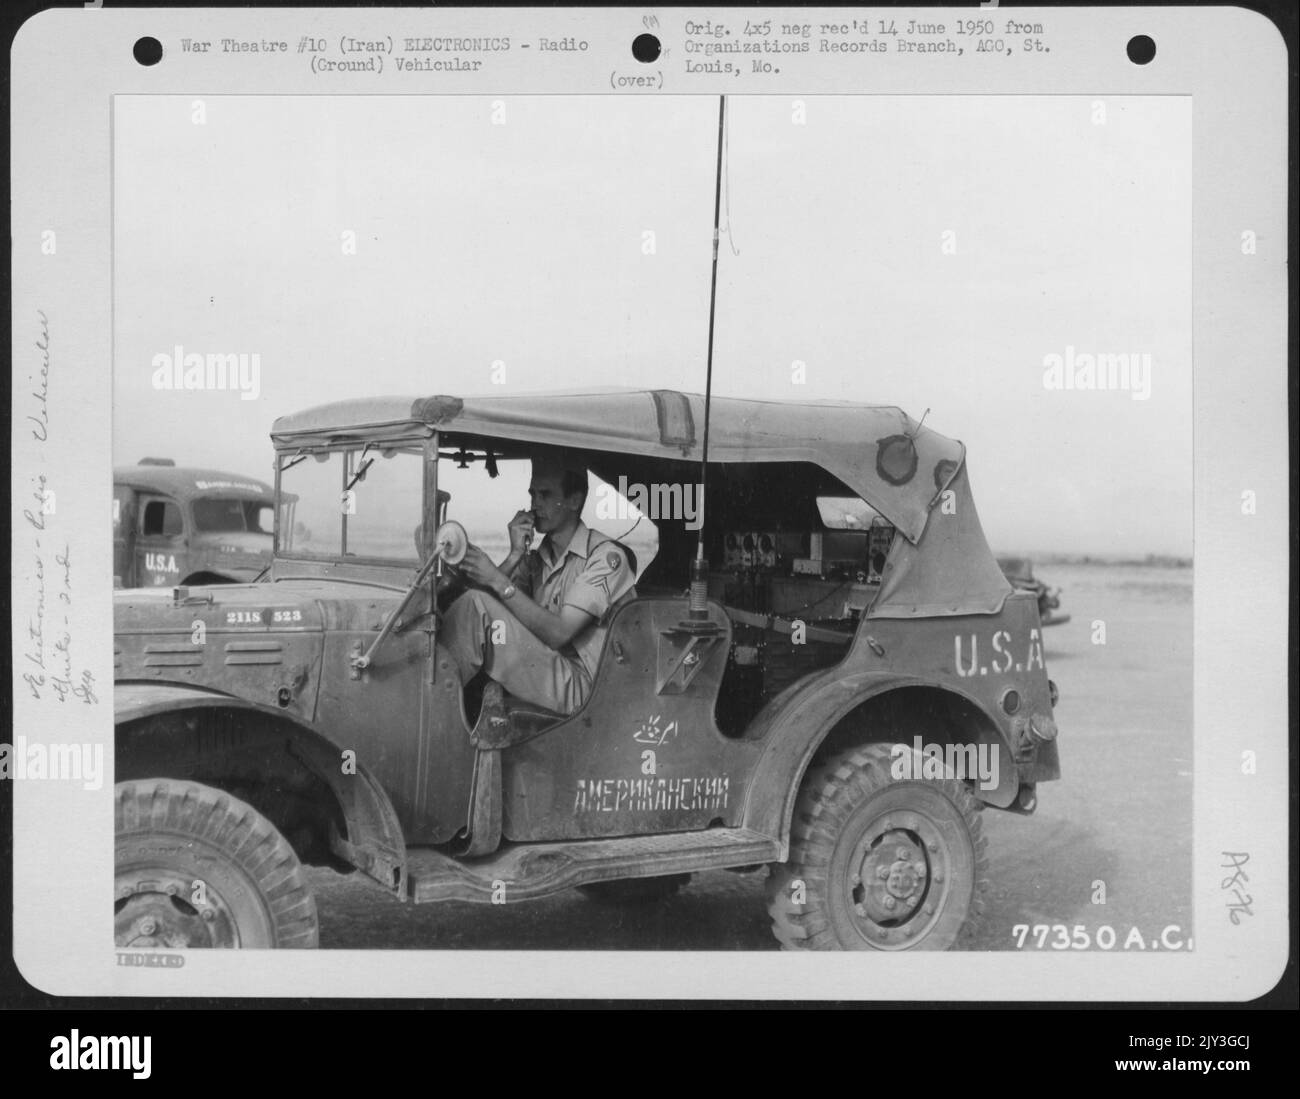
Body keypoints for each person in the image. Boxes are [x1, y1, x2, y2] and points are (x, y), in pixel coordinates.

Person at [441, 451, 635, 715]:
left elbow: (558, 633)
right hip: (554, 667)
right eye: (532, 494)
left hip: (587, 689)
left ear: (574, 501)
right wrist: (513, 557)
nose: (534, 504)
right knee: (474, 605)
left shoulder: (605, 558)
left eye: (545, 495)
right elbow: (497, 608)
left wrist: (497, 579)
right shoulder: (537, 558)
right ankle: (438, 705)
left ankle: (434, 708)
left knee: (477, 607)